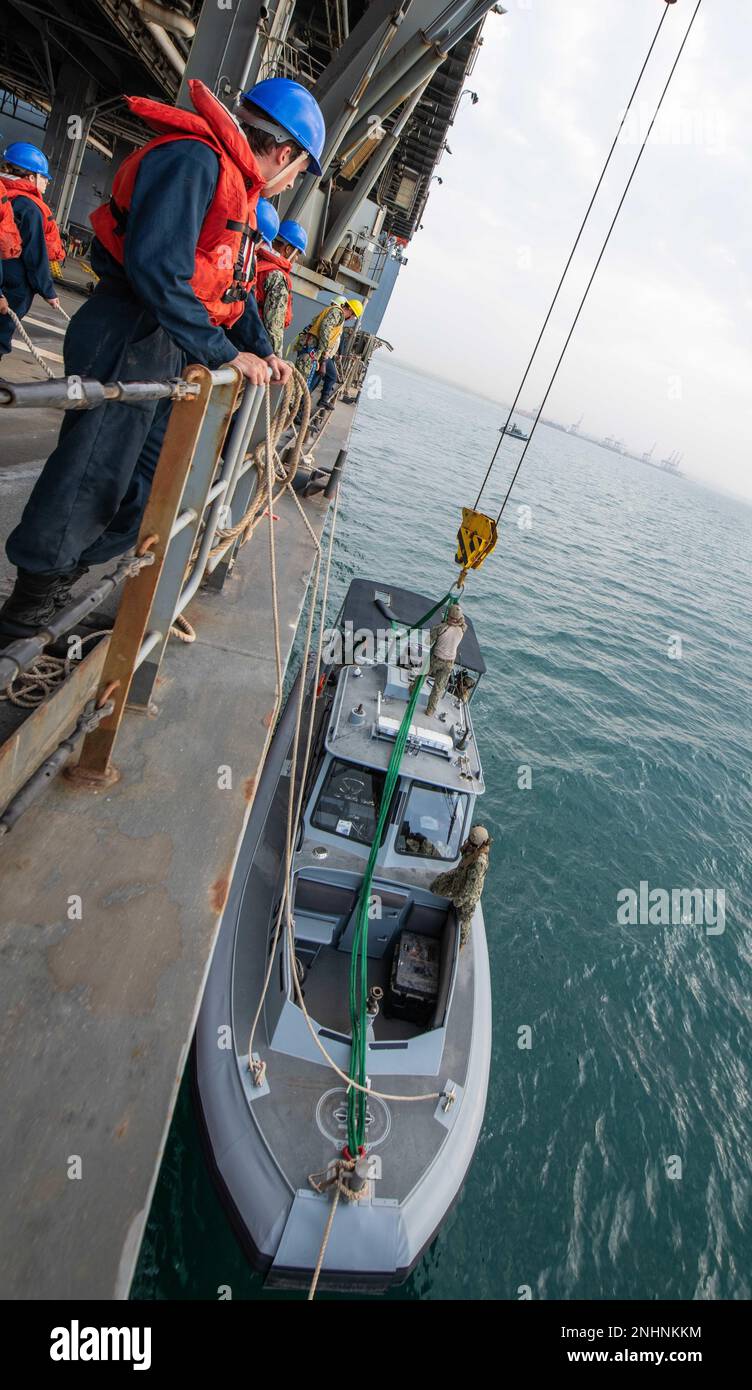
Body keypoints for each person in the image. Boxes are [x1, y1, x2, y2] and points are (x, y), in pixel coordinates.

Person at [0, 77, 326, 640]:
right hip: (129, 330)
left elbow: (234, 292)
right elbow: (155, 269)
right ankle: (25, 618)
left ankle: (62, 583)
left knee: (147, 485)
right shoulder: (193, 161)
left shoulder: (237, 192)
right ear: (285, 150)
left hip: (168, 345)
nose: (294, 180)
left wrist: (266, 353)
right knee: (91, 473)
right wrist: (224, 353)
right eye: (300, 169)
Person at [0, 143, 63, 361]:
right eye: (43, 177)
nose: (46, 182)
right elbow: (35, 256)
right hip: (13, 282)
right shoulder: (29, 208)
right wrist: (48, 291)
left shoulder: (6, 196)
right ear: (30, 177)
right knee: (2, 330)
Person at [293, 296, 363, 411]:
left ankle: (299, 411)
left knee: (308, 382)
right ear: (350, 310)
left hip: (315, 351)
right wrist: (324, 356)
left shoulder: (337, 315)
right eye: (354, 316)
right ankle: (295, 411)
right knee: (304, 382)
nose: (352, 319)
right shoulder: (337, 313)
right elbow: (325, 329)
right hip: (312, 350)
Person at [429, 825, 491, 949]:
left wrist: (457, 902)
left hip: (469, 892)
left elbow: (470, 889)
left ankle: (461, 944)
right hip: (459, 874)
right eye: (470, 842)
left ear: (480, 845)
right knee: (435, 886)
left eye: (473, 844)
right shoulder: (471, 847)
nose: (470, 845)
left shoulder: (479, 863)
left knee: (463, 920)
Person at [254, 217, 307, 356]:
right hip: (256, 347)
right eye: (297, 254)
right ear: (288, 249)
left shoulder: (255, 259)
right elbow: (274, 326)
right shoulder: (277, 276)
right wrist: (276, 358)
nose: (296, 259)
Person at [411, 603, 467, 717]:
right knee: (438, 687)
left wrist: (441, 625)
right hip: (449, 663)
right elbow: (462, 621)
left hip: (436, 659)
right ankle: (430, 710)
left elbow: (428, 641)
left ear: (448, 616)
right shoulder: (462, 629)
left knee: (421, 678)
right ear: (460, 618)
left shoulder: (441, 628)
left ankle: (412, 692)